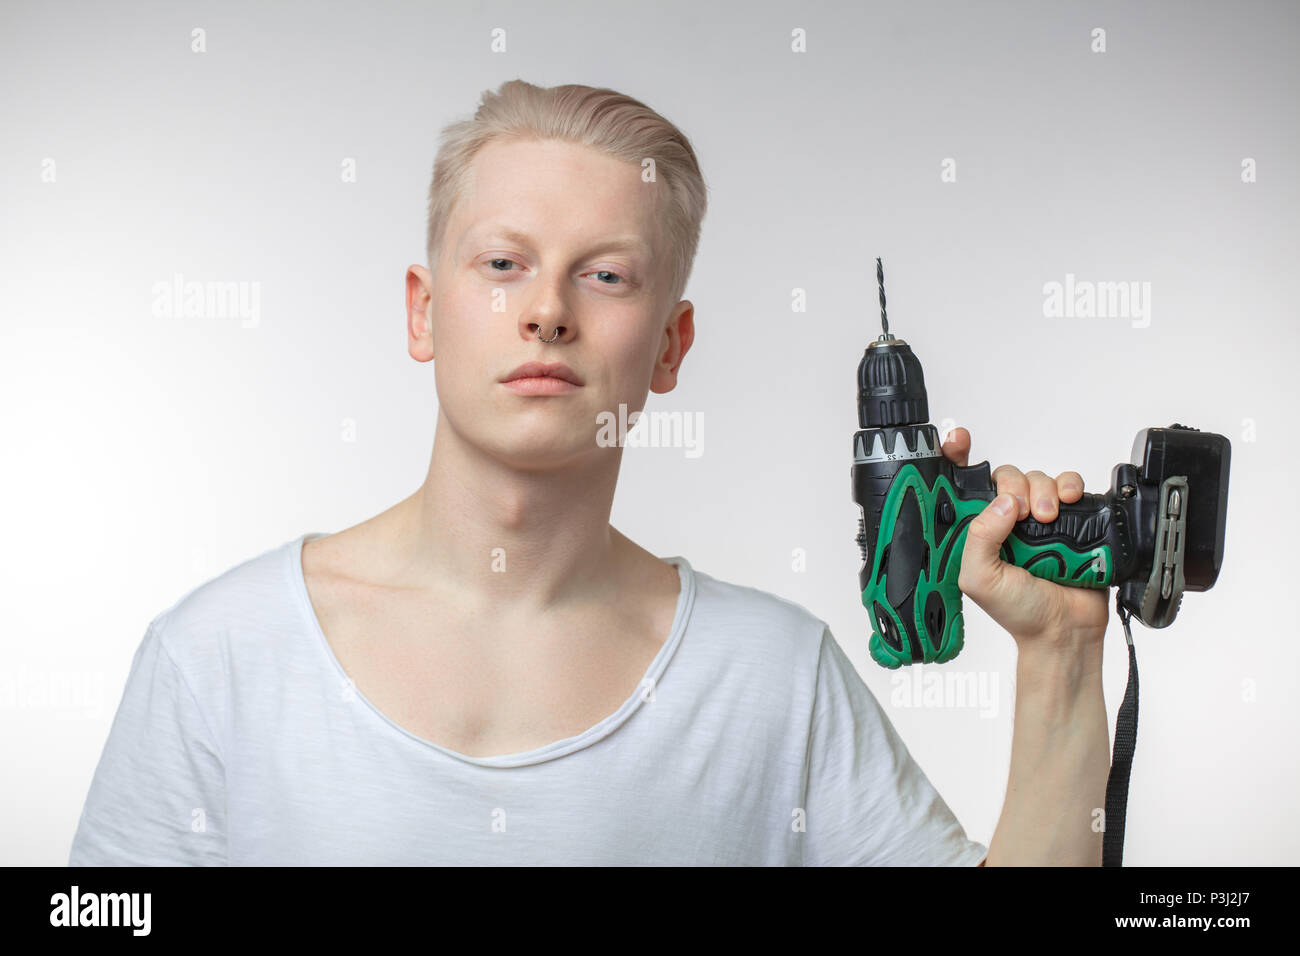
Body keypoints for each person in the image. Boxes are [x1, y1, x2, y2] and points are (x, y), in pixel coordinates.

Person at [68, 79, 1109, 866]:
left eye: (605, 274)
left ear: (669, 344)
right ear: (423, 310)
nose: (548, 309)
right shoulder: (219, 659)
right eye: (503, 263)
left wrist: (1060, 658)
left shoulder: (771, 681)